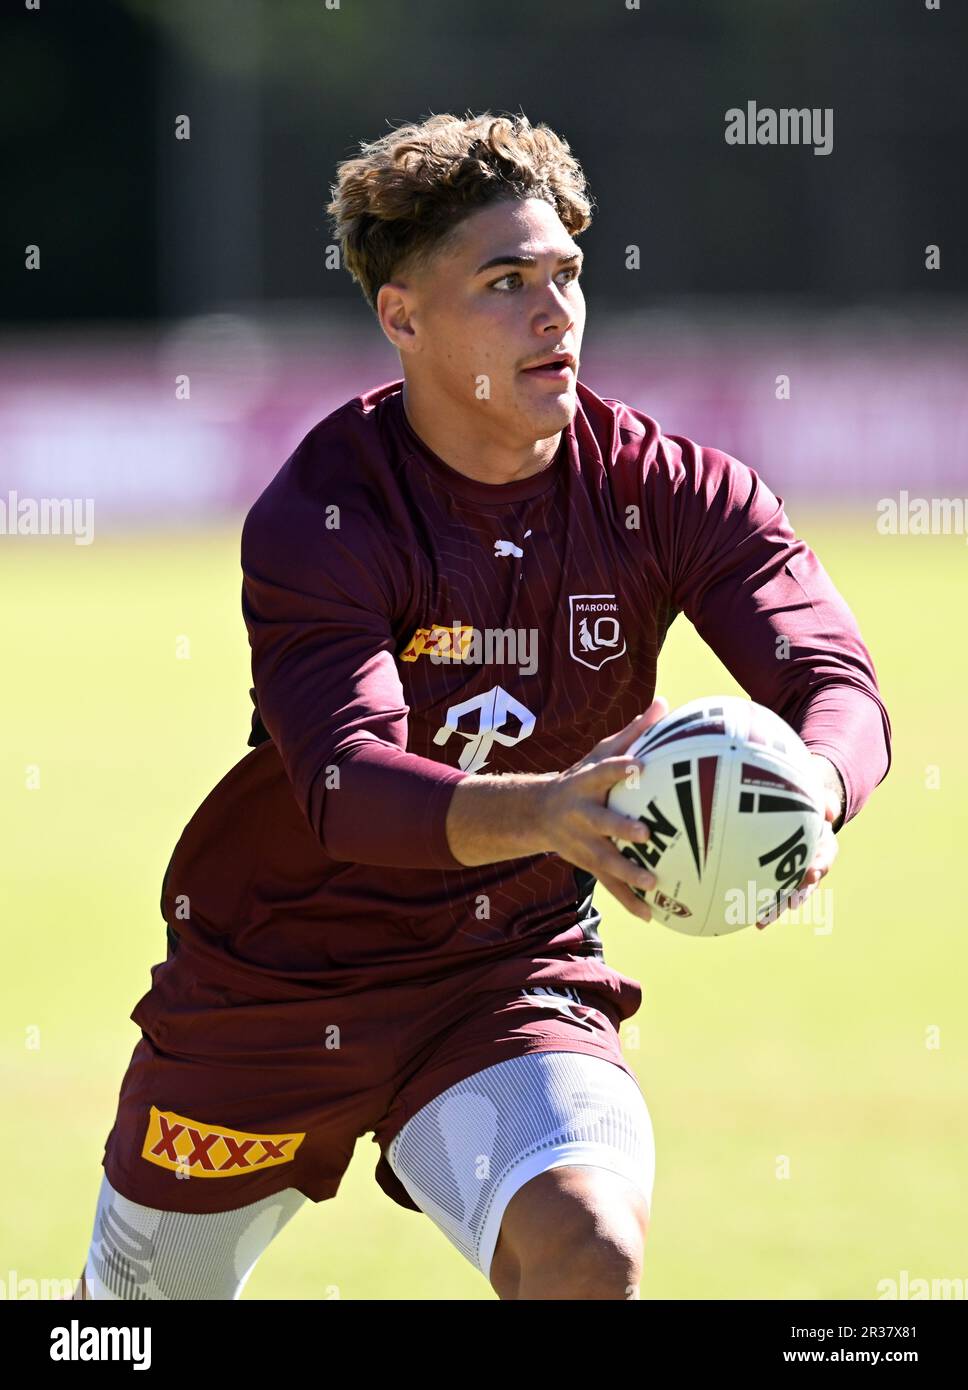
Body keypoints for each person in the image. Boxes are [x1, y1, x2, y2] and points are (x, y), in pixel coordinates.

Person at [75, 111, 891, 1301]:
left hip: (505, 972)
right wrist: (552, 809)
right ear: (400, 315)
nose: (553, 311)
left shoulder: (665, 492)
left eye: (564, 274)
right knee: (128, 1328)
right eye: (504, 282)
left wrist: (806, 791)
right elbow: (347, 781)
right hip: (269, 985)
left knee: (587, 1249)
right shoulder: (323, 514)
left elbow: (832, 683)